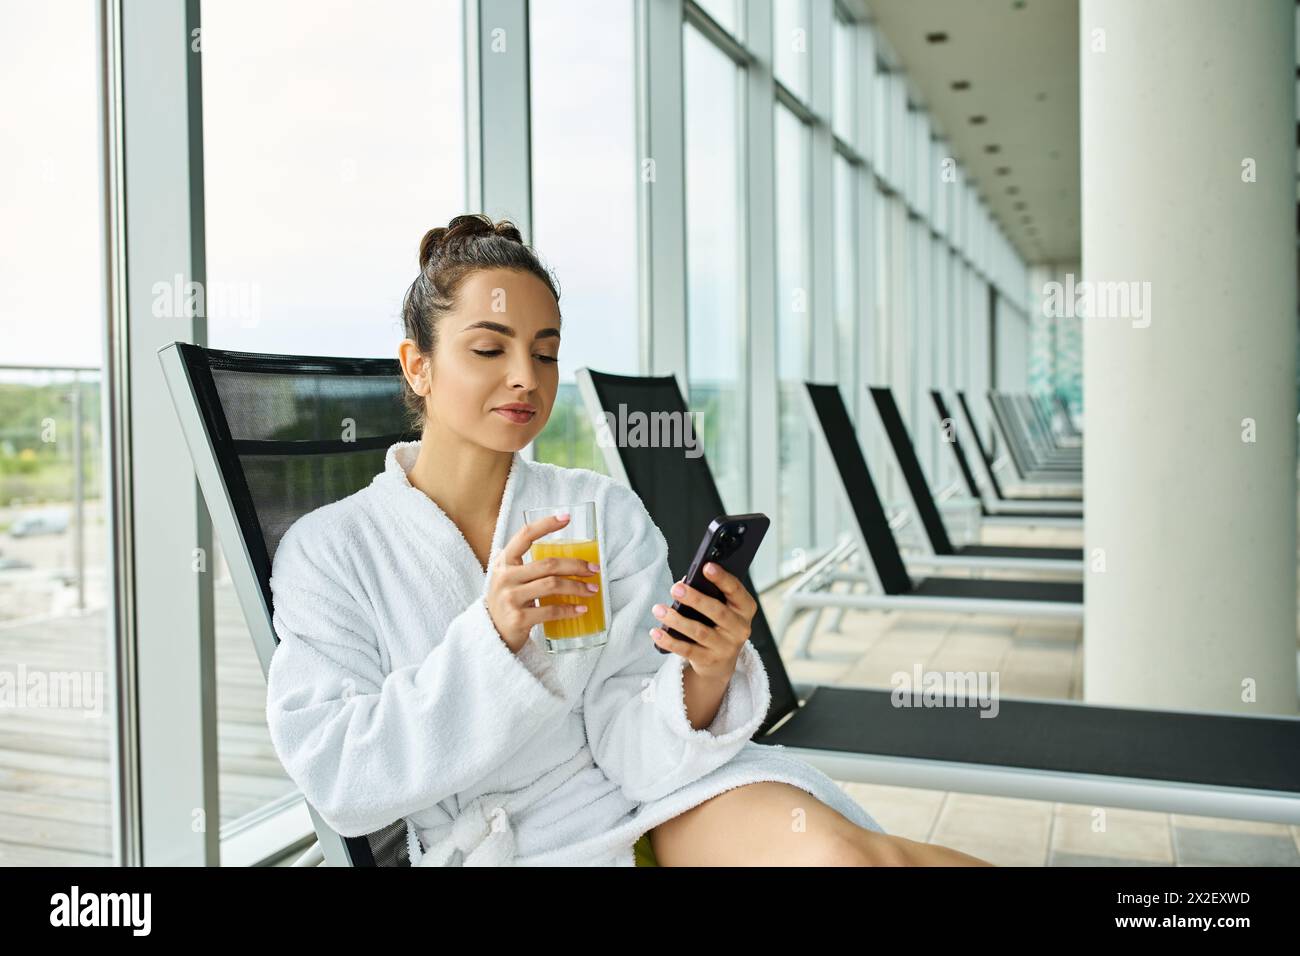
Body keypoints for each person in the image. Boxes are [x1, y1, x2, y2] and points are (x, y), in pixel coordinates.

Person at [264, 213, 992, 867]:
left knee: (852, 861)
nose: (525, 378)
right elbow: (340, 778)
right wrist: (491, 639)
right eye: (489, 349)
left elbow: (633, 743)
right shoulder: (330, 551)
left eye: (545, 354)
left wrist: (704, 671)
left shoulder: (595, 511)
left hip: (651, 803)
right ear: (417, 366)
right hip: (516, 846)